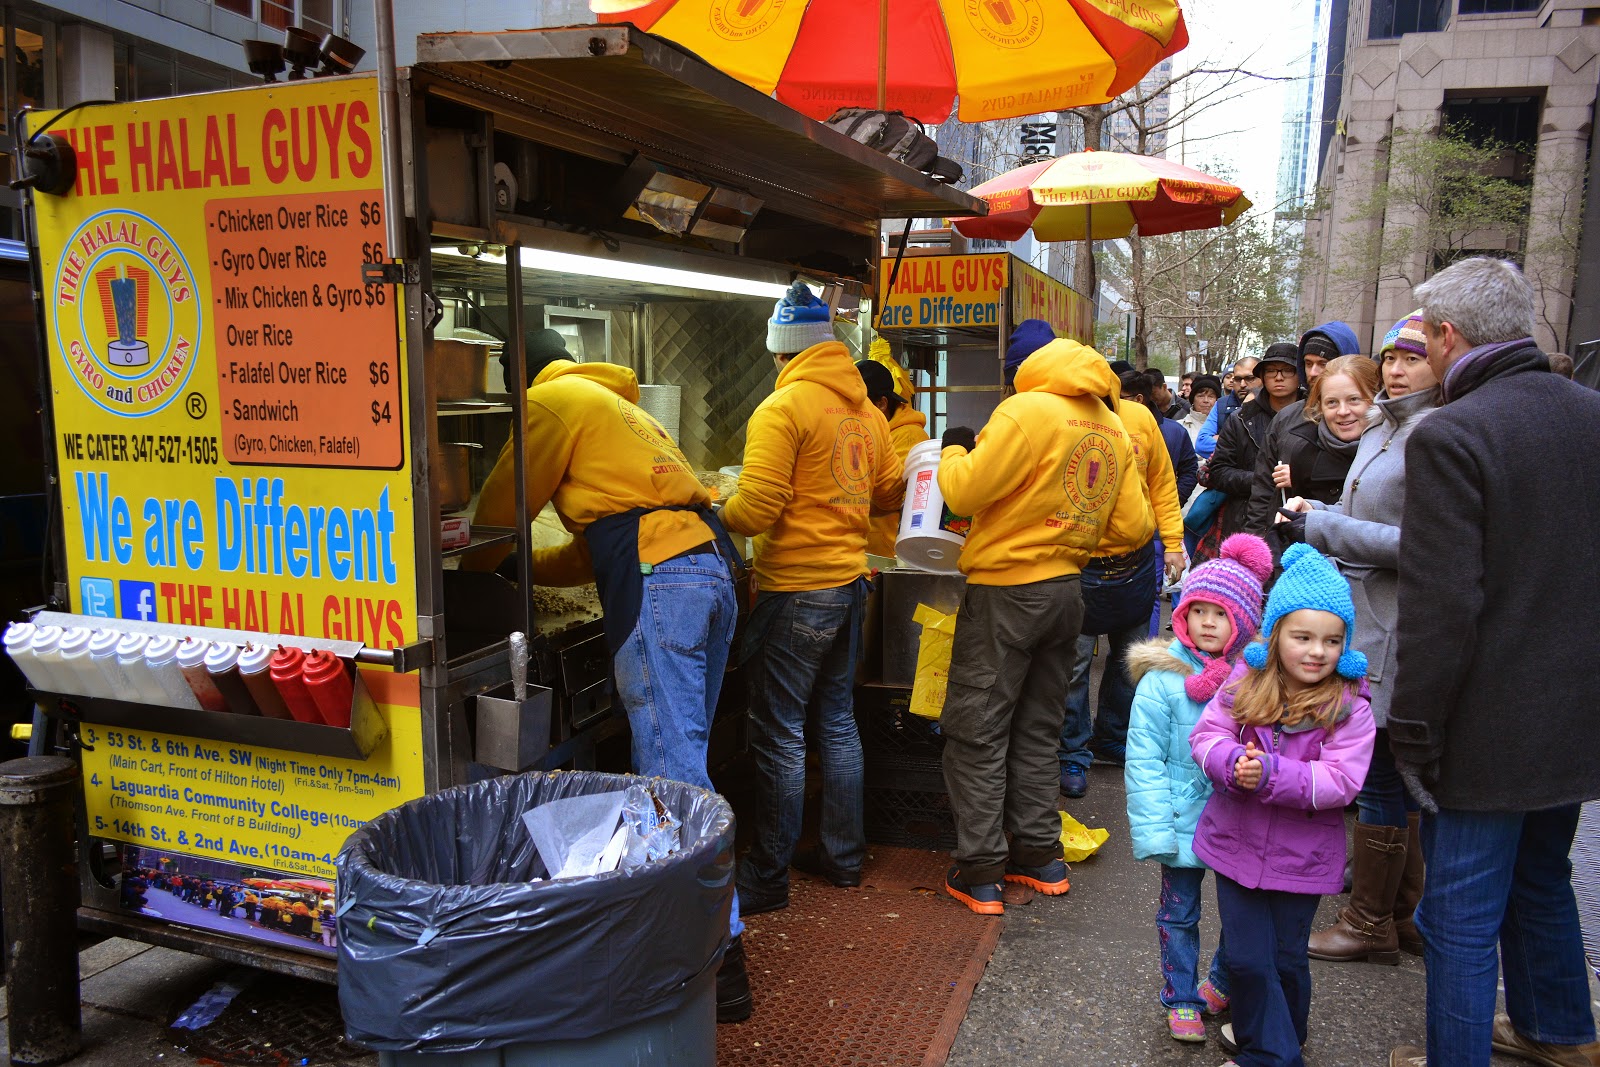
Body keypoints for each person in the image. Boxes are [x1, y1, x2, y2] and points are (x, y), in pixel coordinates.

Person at [468, 326, 749, 1020]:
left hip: (665, 580)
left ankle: (722, 959)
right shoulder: (616, 406)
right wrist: (522, 568)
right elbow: (597, 543)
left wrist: (471, 575)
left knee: (674, 773)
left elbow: (498, 515)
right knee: (687, 763)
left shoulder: (551, 400)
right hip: (711, 570)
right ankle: (697, 935)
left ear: (517, 369)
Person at [1385, 257, 1600, 1067]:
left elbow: (1443, 609)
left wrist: (1413, 727)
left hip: (1491, 724)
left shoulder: (1454, 431)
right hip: (1577, 711)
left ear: (1447, 334)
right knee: (1541, 877)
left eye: (1423, 339)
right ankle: (1561, 1032)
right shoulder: (1590, 412)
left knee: (1460, 915)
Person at [936, 334, 1152, 915]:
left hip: (1006, 591)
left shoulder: (1027, 409)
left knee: (977, 729)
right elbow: (1135, 527)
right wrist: (1069, 536)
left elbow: (962, 490)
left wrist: (953, 451)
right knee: (1037, 728)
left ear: (1023, 371)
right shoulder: (1109, 423)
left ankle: (980, 869)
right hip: (1067, 593)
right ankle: (1040, 857)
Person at [725, 282, 904, 922]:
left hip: (796, 588)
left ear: (784, 353)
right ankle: (843, 857)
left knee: (778, 733)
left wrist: (710, 504)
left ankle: (768, 874)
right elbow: (887, 494)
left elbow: (757, 508)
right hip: (850, 585)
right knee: (836, 721)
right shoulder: (865, 412)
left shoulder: (784, 408)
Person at [1275, 312, 1438, 966]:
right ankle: (1399, 915)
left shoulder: (1428, 434)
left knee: (1384, 777)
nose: (1398, 369)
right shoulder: (1386, 429)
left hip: (1399, 628)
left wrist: (1325, 528)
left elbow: (1421, 545)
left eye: (1412, 357)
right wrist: (1322, 515)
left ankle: (1374, 919)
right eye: (1392, 356)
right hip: (1367, 618)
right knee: (1390, 775)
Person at [1190, 544, 1374, 1067]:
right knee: (1248, 959)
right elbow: (1207, 736)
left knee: (1287, 960)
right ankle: (1272, 1054)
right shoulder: (1244, 683)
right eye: (1303, 638)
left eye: (1332, 640)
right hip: (1236, 845)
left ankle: (1276, 1040)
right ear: (1275, 637)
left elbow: (1342, 781)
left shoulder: (1349, 709)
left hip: (1302, 858)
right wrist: (1229, 763)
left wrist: (1270, 773)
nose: (1317, 652)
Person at [1125, 533, 1272, 1044]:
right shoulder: (1161, 681)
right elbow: (1144, 760)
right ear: (1181, 614)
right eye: (1198, 610)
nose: (1207, 622)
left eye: (1220, 613)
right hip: (1182, 823)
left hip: (1240, 825)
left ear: (1244, 621)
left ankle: (1220, 984)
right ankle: (1181, 996)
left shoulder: (1256, 681)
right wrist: (1155, 830)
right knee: (1179, 914)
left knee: (1242, 919)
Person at [1056, 364, 1187, 797]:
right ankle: (1072, 754)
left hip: (1134, 563)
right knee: (1073, 667)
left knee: (1127, 659)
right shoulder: (1061, 417)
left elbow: (1163, 483)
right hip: (1078, 563)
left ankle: (1111, 737)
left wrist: (1173, 543)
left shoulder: (1139, 419)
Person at [1249, 354, 1380, 535]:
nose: (1343, 411)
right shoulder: (1302, 450)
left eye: (1354, 399)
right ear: (1319, 406)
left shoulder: (1396, 451)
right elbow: (1263, 499)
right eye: (1332, 402)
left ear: (1377, 398)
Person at [1198, 345, 1300, 554]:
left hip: (1298, 523)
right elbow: (1219, 472)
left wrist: (1299, 477)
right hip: (1245, 521)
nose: (1279, 377)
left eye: (1287, 370)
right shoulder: (1241, 419)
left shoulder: (1314, 417)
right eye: (1272, 371)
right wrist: (1262, 480)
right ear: (1263, 376)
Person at [857, 357, 929, 558]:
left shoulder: (908, 435)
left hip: (886, 553)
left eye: (858, 406)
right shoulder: (864, 431)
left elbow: (891, 497)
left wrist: (840, 501)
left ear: (881, 404)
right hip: (862, 550)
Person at [1127, 370, 1198, 505]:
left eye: (1122, 398)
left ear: (1139, 399)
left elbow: (1190, 469)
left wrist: (1175, 500)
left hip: (1161, 516)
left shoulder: (1175, 431)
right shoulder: (1115, 429)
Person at [1196, 356, 1260, 459]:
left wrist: (1224, 439)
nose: (1242, 384)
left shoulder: (1274, 404)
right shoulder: (1221, 405)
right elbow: (1202, 445)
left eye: (1250, 378)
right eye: (1238, 379)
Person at [1181, 375, 1222, 444]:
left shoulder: (1226, 426)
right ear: (1193, 399)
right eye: (1201, 396)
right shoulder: (1180, 426)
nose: (1206, 400)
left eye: (1211, 396)